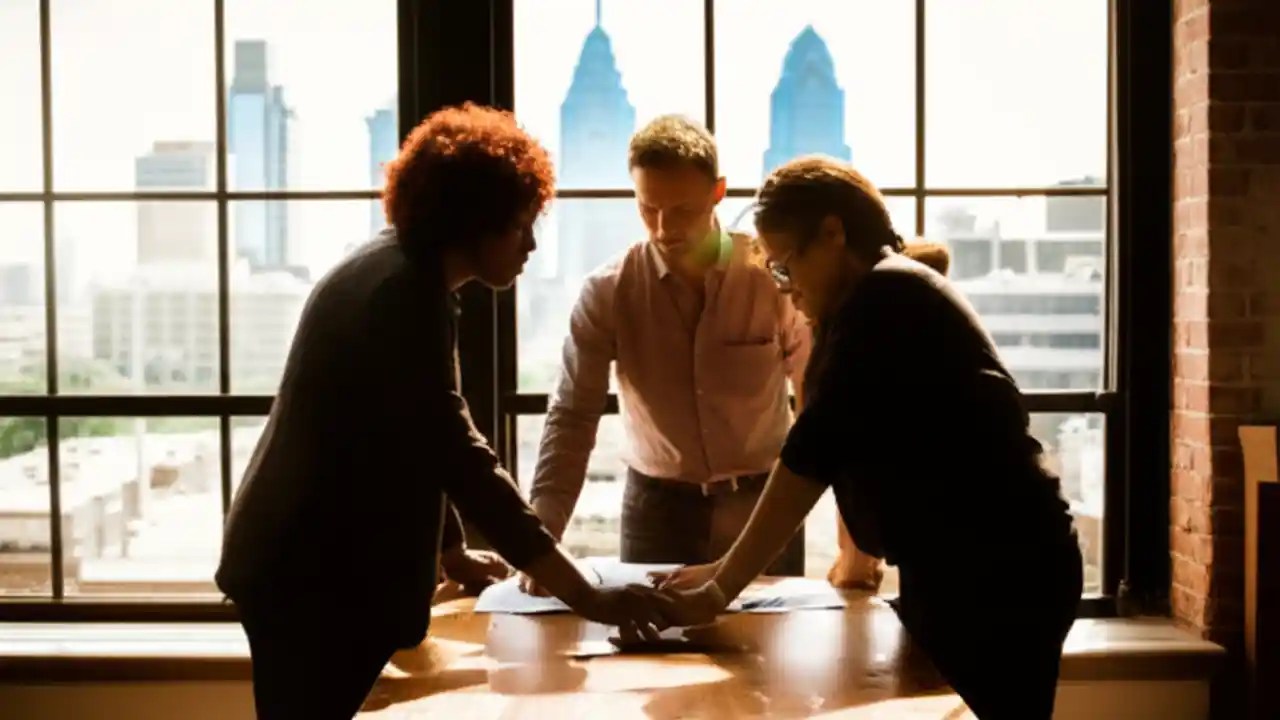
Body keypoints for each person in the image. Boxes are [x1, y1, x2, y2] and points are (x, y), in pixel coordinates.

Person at [216, 103, 667, 720]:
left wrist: (450, 552)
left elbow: (410, 436)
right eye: (520, 225)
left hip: (296, 567)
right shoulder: (404, 295)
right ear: (474, 221)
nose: (532, 244)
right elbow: (456, 453)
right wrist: (587, 594)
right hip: (313, 582)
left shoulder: (389, 268)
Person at [653, 156, 1084, 719]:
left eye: (785, 267)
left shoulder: (888, 298)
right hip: (973, 567)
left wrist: (720, 588)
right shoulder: (876, 300)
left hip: (1000, 575)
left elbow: (810, 455)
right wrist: (717, 574)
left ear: (833, 234)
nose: (785, 289)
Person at [519, 114, 815, 593]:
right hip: (656, 508)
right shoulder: (609, 290)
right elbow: (572, 416)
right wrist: (540, 544)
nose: (663, 228)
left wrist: (852, 545)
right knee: (649, 657)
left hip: (763, 503)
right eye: (648, 208)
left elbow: (819, 401)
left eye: (681, 210)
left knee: (768, 654)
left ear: (718, 193)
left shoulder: (772, 281)